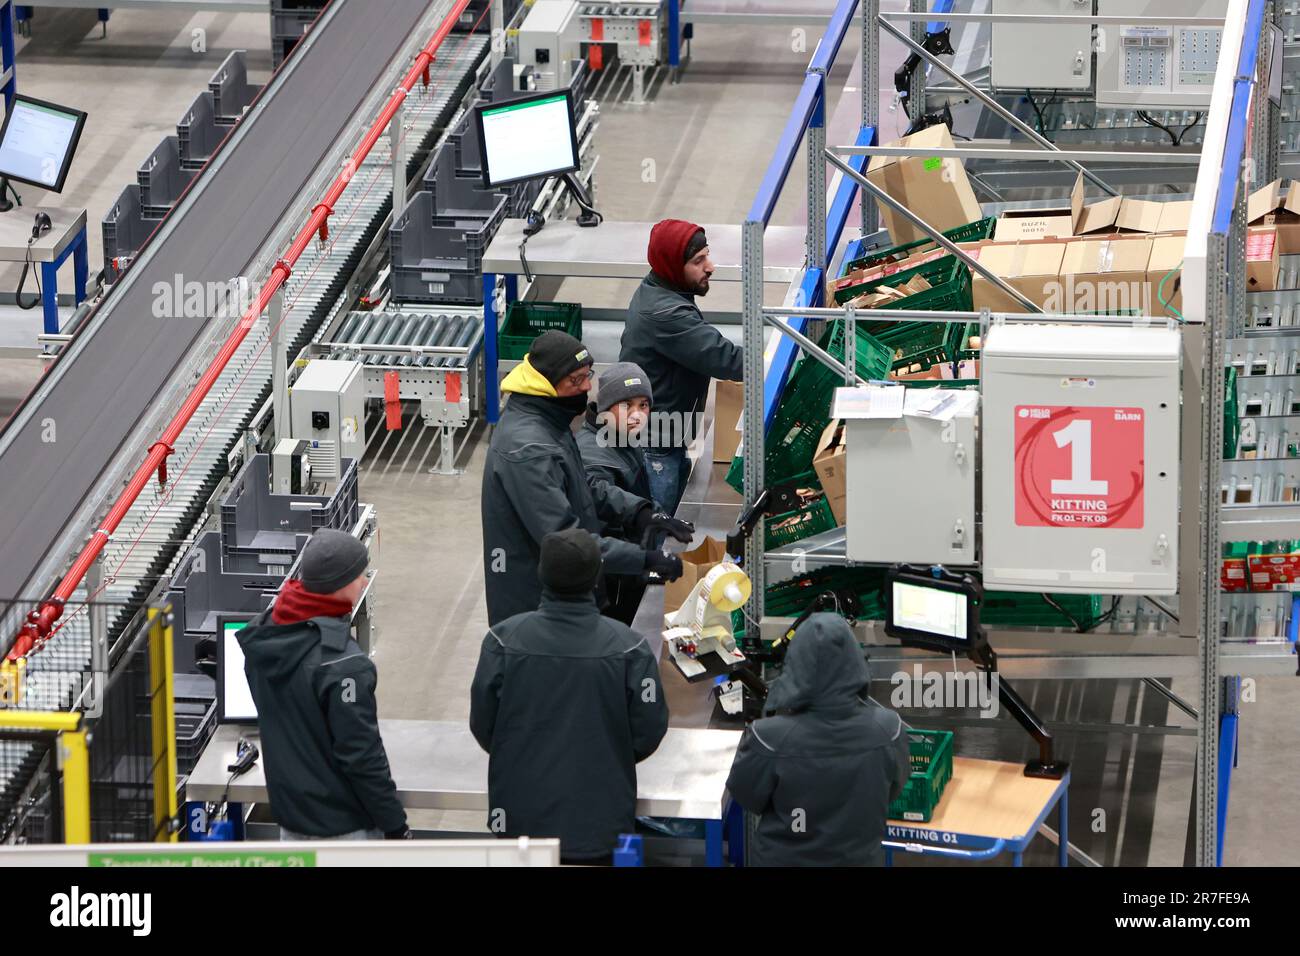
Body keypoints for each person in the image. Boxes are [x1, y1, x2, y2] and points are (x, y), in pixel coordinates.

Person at [470, 528, 670, 864]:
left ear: (541, 573)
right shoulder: (629, 647)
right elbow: (649, 729)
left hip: (520, 818)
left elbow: (484, 724)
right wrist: (610, 754)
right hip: (600, 819)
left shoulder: (502, 642)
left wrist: (521, 755)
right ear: (596, 577)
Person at [481, 329, 691, 626]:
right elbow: (567, 540)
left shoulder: (548, 420)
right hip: (538, 605)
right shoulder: (529, 450)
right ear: (546, 384)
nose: (588, 386)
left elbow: (582, 486)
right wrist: (642, 560)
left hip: (566, 589)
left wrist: (641, 513)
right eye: (576, 380)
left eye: (587, 375)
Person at [237, 529, 410, 841]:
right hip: (341, 830)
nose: (363, 581)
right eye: (360, 574)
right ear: (341, 584)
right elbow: (361, 755)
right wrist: (395, 824)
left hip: (291, 821)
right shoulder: (342, 663)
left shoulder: (262, 637)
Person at [725, 613, 911, 866]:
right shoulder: (889, 730)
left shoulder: (768, 737)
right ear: (855, 660)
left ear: (796, 663)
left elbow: (746, 796)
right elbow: (892, 790)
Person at [621, 219, 743, 514]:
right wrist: (779, 360)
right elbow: (726, 359)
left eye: (707, 255)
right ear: (674, 266)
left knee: (664, 523)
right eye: (698, 261)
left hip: (668, 437)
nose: (710, 267)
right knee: (654, 533)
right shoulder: (666, 313)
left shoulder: (662, 289)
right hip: (655, 447)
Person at [576, 362, 659, 625]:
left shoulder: (620, 435)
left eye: (643, 405)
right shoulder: (593, 453)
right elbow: (602, 495)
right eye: (627, 406)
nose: (637, 415)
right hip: (614, 578)